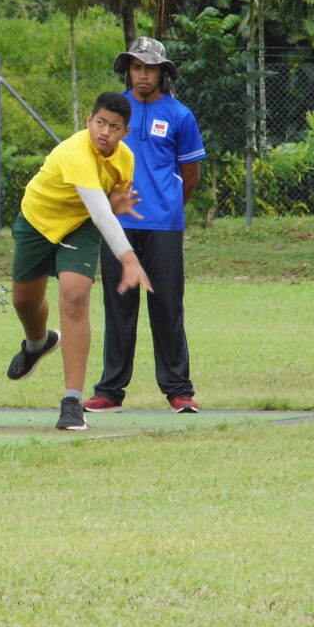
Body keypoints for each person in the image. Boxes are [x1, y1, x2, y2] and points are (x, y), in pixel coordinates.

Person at [5, 91, 152, 431]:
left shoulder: (125, 158)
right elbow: (101, 209)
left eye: (114, 127)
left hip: (80, 227)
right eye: (100, 123)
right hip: (37, 221)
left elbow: (105, 207)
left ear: (124, 132)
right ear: (88, 121)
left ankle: (72, 401)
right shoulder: (75, 151)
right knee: (24, 301)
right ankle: (38, 343)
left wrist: (114, 207)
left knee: (74, 296)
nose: (105, 132)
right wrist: (129, 260)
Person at [84, 37, 206, 414]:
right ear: (128, 71)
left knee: (167, 306)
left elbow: (191, 174)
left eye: (149, 68)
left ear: (162, 73)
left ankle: (178, 391)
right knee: (119, 308)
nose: (142, 75)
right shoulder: (113, 114)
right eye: (136, 67)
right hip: (116, 224)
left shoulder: (180, 116)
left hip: (164, 227)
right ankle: (110, 390)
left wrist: (167, 208)